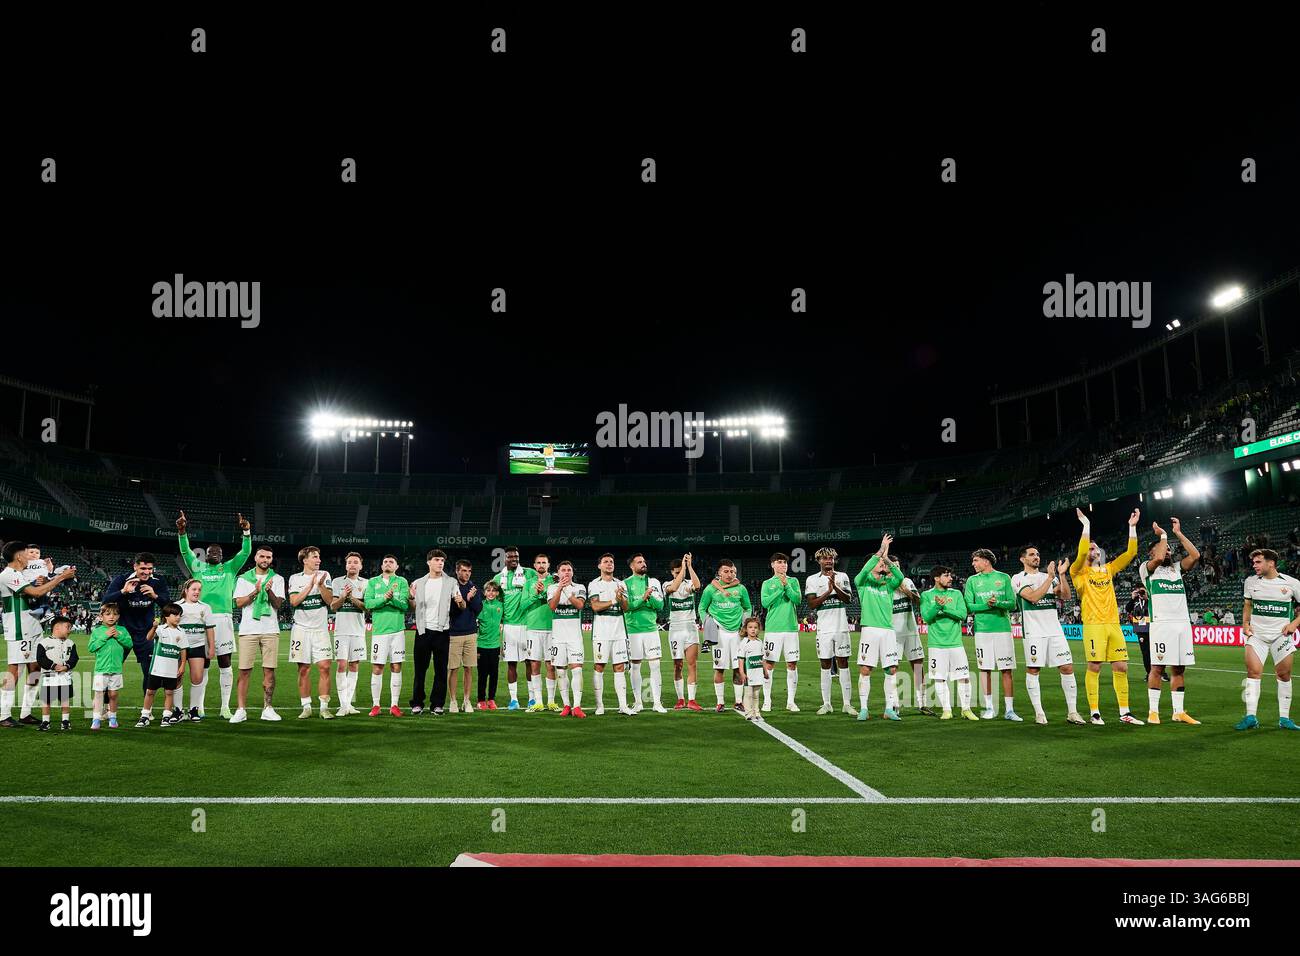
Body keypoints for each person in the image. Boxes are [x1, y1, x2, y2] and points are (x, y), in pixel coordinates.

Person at [1070, 507, 1144, 725]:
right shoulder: (1078, 572)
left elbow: (1130, 554)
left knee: (1121, 666)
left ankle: (1125, 713)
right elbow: (1082, 553)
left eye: (1096, 548)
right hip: (1093, 625)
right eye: (1091, 548)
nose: (1094, 550)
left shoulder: (1108, 569)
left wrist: (1132, 527)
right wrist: (1086, 526)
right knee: (1095, 666)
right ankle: (1094, 713)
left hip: (1113, 624)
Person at [175, 511, 252, 718]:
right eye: (210, 551)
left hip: (223, 620)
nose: (214, 553)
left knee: (225, 662)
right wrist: (182, 531)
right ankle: (198, 706)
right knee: (203, 663)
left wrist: (246, 532)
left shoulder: (229, 569)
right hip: (200, 622)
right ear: (206, 554)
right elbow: (186, 552)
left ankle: (225, 706)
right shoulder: (198, 569)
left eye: (217, 551)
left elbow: (245, 553)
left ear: (221, 556)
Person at [2, 540, 76, 727]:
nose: (30, 557)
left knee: (35, 669)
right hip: (20, 629)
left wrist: (46, 579)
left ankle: (25, 713)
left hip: (33, 626)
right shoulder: (8, 574)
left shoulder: (20, 574)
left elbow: (35, 591)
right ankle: (3, 714)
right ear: (19, 556)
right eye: (27, 553)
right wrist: (60, 578)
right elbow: (35, 593)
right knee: (15, 671)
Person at [1011, 546, 1085, 724]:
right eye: (1032, 554)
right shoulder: (1018, 578)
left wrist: (1061, 575)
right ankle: (1039, 713)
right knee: (1034, 669)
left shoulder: (1047, 577)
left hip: (1054, 631)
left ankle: (1072, 712)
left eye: (1037, 554)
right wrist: (1051, 578)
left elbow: (1066, 596)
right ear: (1023, 559)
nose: (1036, 557)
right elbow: (1033, 597)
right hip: (1033, 631)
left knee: (1067, 667)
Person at [1140, 519, 1202, 725]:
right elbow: (1158, 558)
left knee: (1179, 669)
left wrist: (1178, 533)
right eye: (1162, 549)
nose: (1167, 552)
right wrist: (1163, 535)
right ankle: (1153, 712)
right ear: (1151, 553)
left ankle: (1178, 712)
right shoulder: (1147, 569)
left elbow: (1195, 555)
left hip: (1182, 624)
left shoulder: (1176, 568)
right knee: (1157, 668)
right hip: (1162, 624)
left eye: (1168, 550)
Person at [1236, 548, 1300, 731]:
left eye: (1258, 562)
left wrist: (1295, 623)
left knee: (1284, 675)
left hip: (1282, 635)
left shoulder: (1292, 583)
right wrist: (1245, 623)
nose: (1254, 565)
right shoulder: (1250, 582)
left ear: (1271, 563)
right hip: (1257, 635)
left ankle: (1285, 718)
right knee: (1253, 673)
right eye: (1253, 562)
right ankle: (1250, 717)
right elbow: (1247, 604)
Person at [964, 548, 1021, 721]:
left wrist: (998, 603)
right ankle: (989, 708)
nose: (973, 564)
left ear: (986, 561)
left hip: (1003, 629)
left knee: (1006, 670)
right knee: (984, 669)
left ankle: (1010, 710)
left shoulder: (1004, 577)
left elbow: (1012, 604)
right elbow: (969, 606)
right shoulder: (972, 581)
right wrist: (988, 605)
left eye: (976, 560)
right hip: (982, 631)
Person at [230, 547, 285, 723]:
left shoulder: (277, 579)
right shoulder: (243, 579)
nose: (265, 559)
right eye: (262, 556)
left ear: (271, 559)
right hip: (248, 630)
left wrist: (268, 591)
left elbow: (278, 605)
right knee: (244, 671)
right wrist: (255, 591)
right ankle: (240, 710)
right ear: (255, 557)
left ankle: (267, 708)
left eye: (268, 557)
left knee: (269, 671)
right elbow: (238, 603)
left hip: (270, 630)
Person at [100, 552, 166, 697]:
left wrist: (155, 596)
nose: (147, 572)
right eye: (143, 568)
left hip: (146, 634)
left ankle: (146, 709)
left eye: (150, 569)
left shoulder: (158, 581)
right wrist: (123, 591)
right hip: (123, 632)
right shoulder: (122, 580)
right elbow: (105, 601)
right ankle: (105, 707)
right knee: (111, 669)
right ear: (135, 566)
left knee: (149, 671)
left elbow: (169, 607)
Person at [854, 534, 904, 721]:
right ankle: (864, 709)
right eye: (880, 563)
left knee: (891, 670)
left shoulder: (888, 585)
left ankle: (889, 709)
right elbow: (865, 569)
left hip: (888, 631)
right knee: (866, 669)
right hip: (870, 631)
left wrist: (886, 559)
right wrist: (880, 551)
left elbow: (900, 576)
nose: (882, 565)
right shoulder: (862, 583)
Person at [920, 567, 977, 720]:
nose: (950, 578)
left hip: (956, 643)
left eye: (950, 575)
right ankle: (947, 710)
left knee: (964, 676)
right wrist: (937, 606)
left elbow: (962, 615)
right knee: (939, 678)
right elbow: (927, 617)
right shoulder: (926, 595)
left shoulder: (956, 593)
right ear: (936, 578)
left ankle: (966, 709)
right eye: (946, 575)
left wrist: (943, 608)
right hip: (936, 644)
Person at [697, 559, 751, 714]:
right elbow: (702, 607)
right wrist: (707, 622)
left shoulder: (741, 589)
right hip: (719, 633)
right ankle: (720, 702)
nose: (730, 574)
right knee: (719, 668)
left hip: (737, 634)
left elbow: (747, 607)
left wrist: (745, 623)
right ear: (719, 573)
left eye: (732, 571)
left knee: (737, 668)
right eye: (726, 571)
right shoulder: (710, 590)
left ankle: (739, 702)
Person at [806, 546, 855, 716]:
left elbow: (848, 599)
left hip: (841, 628)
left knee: (844, 664)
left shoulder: (842, 576)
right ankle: (826, 704)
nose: (828, 561)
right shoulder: (812, 579)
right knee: (825, 665)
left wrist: (835, 586)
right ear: (819, 560)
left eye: (831, 558)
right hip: (824, 630)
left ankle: (847, 704)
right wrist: (828, 591)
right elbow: (812, 604)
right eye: (825, 558)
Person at [288, 546, 334, 719]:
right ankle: (306, 706)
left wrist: (320, 586)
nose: (318, 559)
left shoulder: (325, 575)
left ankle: (324, 707)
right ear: (305, 560)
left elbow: (329, 601)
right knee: (303, 669)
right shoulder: (295, 578)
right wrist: (310, 586)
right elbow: (294, 601)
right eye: (314, 556)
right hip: (301, 630)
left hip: (320, 630)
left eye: (319, 556)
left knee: (325, 667)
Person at [410, 549, 458, 715]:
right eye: (437, 560)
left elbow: (459, 602)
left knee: (440, 670)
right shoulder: (418, 583)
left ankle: (437, 704)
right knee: (420, 670)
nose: (440, 563)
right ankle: (417, 703)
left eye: (442, 561)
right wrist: (410, 598)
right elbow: (413, 607)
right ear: (429, 562)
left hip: (442, 631)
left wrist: (460, 601)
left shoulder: (451, 582)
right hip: (423, 631)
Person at [588, 553, 634, 716]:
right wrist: (614, 600)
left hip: (619, 632)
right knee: (599, 666)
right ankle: (600, 705)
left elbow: (626, 607)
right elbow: (595, 606)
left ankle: (623, 705)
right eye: (606, 562)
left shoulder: (620, 584)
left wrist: (621, 598)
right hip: (601, 632)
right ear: (599, 566)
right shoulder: (594, 584)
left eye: (612, 562)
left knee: (620, 667)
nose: (609, 564)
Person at [365, 554, 409, 717]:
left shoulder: (402, 582)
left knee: (396, 667)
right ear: (381, 566)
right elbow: (368, 604)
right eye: (385, 562)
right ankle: (376, 705)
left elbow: (404, 605)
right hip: (379, 632)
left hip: (397, 631)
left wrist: (391, 601)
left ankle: (394, 705)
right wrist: (385, 598)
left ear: (396, 566)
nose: (388, 563)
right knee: (377, 667)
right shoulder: (372, 582)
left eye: (391, 562)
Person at [760, 552, 801, 713]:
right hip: (773, 629)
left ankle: (791, 701)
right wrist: (780, 589)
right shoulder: (767, 583)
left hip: (790, 628)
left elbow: (797, 599)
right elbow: (765, 602)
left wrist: (786, 586)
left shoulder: (793, 581)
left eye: (784, 562)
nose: (783, 565)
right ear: (772, 565)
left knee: (791, 664)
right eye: (779, 562)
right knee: (769, 665)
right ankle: (767, 700)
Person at [624, 553, 665, 714]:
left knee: (655, 665)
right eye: (639, 562)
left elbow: (660, 605)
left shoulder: (653, 582)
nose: (643, 564)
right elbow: (628, 606)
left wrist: (648, 600)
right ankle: (638, 702)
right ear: (632, 566)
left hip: (651, 629)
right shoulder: (625, 583)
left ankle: (656, 703)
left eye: (644, 561)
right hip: (633, 630)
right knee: (635, 666)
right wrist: (644, 598)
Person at [493, 548, 534, 711]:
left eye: (516, 556)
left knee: (530, 662)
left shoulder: (528, 573)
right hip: (509, 626)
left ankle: (532, 698)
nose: (514, 558)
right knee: (511, 664)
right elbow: (495, 598)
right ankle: (514, 699)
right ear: (504, 559)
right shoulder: (498, 578)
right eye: (510, 556)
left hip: (527, 625)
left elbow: (544, 578)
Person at [329, 552, 368, 716]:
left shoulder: (367, 583)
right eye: (349, 562)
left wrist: (351, 598)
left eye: (355, 562)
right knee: (342, 665)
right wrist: (343, 596)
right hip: (341, 632)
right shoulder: (338, 582)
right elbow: (333, 606)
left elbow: (367, 607)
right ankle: (343, 704)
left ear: (360, 565)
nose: (352, 564)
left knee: (354, 665)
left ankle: (349, 704)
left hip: (358, 631)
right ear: (345, 565)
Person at [547, 560, 587, 717]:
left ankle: (577, 706)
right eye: (563, 570)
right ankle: (566, 705)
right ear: (558, 573)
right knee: (561, 672)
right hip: (558, 638)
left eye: (569, 570)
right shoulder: (551, 588)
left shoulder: (579, 588)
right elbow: (552, 606)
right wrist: (560, 588)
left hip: (575, 638)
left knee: (577, 670)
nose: (566, 572)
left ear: (572, 572)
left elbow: (579, 605)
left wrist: (568, 592)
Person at [890, 556, 929, 715]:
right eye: (893, 566)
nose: (896, 569)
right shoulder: (884, 585)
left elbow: (919, 601)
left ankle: (923, 703)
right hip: (893, 633)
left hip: (911, 631)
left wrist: (905, 590)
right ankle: (894, 704)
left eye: (898, 566)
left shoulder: (907, 581)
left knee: (918, 665)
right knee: (893, 668)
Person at [664, 554, 702, 710]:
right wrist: (682, 570)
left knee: (692, 664)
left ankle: (692, 700)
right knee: (677, 665)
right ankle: (680, 699)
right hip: (676, 629)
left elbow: (698, 585)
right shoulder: (667, 584)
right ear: (672, 572)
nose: (678, 573)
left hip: (691, 628)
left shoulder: (688, 585)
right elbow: (673, 588)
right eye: (676, 572)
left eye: (680, 571)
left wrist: (690, 566)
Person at [137, 603, 185, 727]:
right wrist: (153, 627)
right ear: (166, 616)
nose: (178, 617)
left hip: (171, 670)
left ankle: (166, 716)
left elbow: (183, 649)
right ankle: (145, 716)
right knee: (150, 692)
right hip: (157, 669)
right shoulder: (160, 629)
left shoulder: (181, 632)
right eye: (175, 614)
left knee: (169, 693)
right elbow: (148, 638)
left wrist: (182, 665)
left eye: (179, 615)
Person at [175, 578, 216, 722]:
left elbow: (209, 629)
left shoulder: (205, 607)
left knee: (197, 678)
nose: (197, 592)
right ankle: (178, 710)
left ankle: (194, 709)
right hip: (179, 648)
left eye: (199, 589)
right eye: (194, 589)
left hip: (198, 646)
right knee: (176, 678)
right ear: (186, 590)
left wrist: (211, 648)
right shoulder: (176, 606)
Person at [519, 554, 556, 712]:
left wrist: (543, 593)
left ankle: (551, 701)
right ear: (534, 565)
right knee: (534, 664)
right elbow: (522, 605)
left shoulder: (554, 582)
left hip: (551, 628)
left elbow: (555, 600)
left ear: (548, 565)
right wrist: (536, 594)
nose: (541, 565)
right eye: (539, 562)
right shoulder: (528, 583)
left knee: (551, 665)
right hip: (533, 628)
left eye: (544, 562)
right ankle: (538, 702)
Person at [88, 601, 133, 730]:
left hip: (116, 669)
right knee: (99, 694)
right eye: (108, 614)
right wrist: (105, 636)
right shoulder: (97, 631)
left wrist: (119, 636)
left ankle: (112, 718)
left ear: (118, 616)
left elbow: (129, 644)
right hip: (101, 669)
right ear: (101, 616)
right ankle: (96, 719)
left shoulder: (122, 630)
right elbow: (91, 647)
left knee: (113, 695)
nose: (111, 617)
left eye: (115, 614)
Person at [447, 559, 483, 714]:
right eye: (463, 570)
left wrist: (470, 599)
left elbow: (478, 609)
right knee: (453, 668)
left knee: (469, 668)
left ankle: (466, 700)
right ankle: (453, 701)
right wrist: (462, 601)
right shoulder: (450, 587)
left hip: (470, 633)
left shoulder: (473, 588)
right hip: (453, 633)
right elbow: (451, 612)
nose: (466, 574)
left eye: (469, 571)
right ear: (457, 571)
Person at [36, 614, 78, 731]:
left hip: (65, 676)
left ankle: (65, 721)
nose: (70, 630)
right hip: (49, 677)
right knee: (46, 700)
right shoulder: (44, 643)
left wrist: (67, 666)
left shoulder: (71, 643)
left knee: (64, 699)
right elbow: (40, 658)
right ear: (57, 628)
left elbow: (74, 658)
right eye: (68, 627)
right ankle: (46, 721)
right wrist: (53, 666)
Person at [476, 580, 504, 710]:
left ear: (497, 593)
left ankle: (491, 699)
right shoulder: (480, 605)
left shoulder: (501, 605)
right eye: (488, 590)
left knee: (494, 674)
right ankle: (481, 700)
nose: (491, 593)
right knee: (482, 675)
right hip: (481, 645)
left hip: (495, 646)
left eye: (493, 590)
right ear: (484, 592)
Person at [738, 617, 766, 722]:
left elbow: (762, 658)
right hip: (748, 673)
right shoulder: (744, 642)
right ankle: (749, 714)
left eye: (755, 627)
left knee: (756, 695)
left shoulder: (760, 642)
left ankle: (757, 713)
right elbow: (741, 659)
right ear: (746, 629)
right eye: (750, 627)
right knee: (748, 694)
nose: (753, 629)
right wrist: (742, 672)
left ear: (758, 629)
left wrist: (765, 671)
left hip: (758, 673)